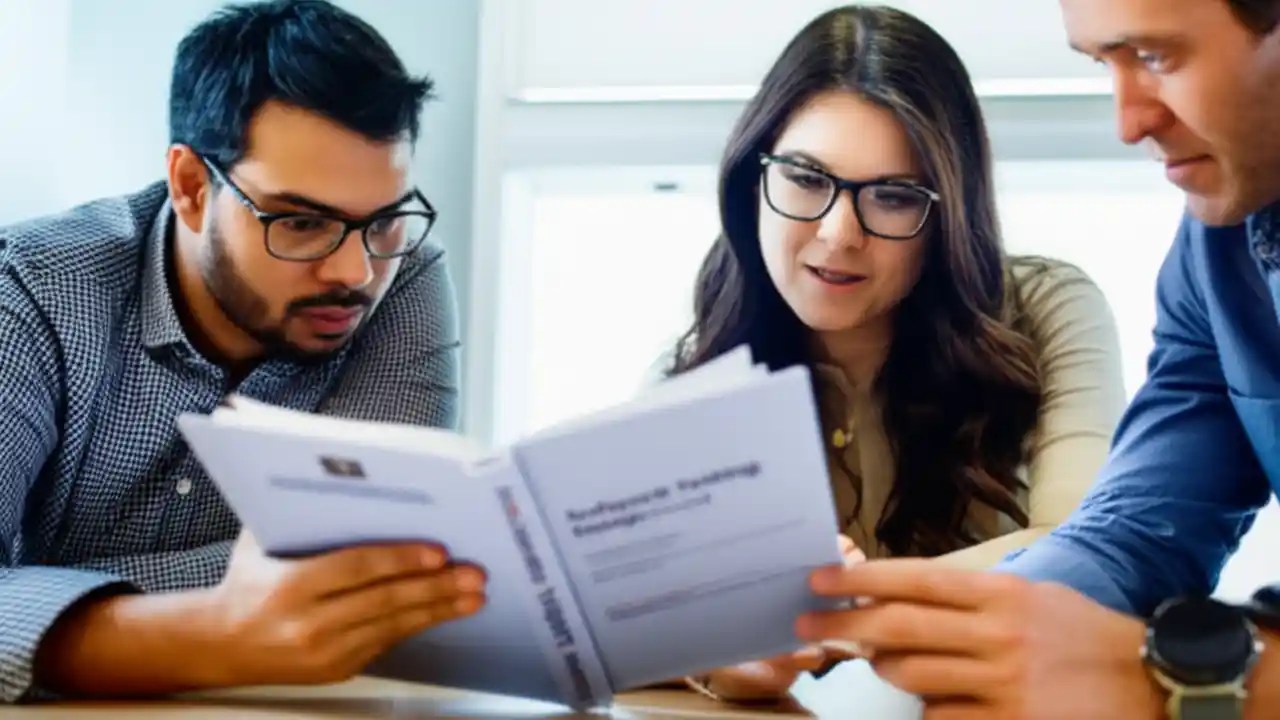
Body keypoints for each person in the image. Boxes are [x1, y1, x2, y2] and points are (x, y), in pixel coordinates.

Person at [793, 0, 1280, 718]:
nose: (1128, 124)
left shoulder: (1050, 299)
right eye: (1100, 62)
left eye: (1154, 57)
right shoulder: (1216, 248)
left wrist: (1174, 680)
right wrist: (949, 640)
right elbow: (1139, 530)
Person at [0, 0, 487, 704]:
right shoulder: (30, 288)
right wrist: (219, 627)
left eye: (384, 219)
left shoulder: (401, 272)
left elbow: (371, 575)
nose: (354, 273)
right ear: (193, 188)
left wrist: (51, 599)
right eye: (299, 222)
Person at [656, 4, 1127, 705]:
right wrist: (723, 662)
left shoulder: (1049, 306)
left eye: (894, 196)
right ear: (752, 178)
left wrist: (843, 604)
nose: (840, 232)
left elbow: (1085, 547)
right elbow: (643, 615)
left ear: (949, 213)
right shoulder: (703, 363)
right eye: (807, 179)